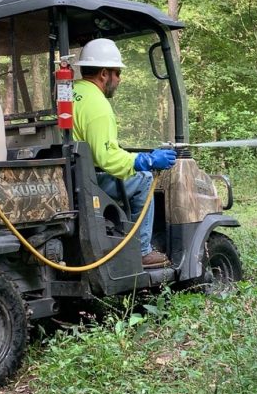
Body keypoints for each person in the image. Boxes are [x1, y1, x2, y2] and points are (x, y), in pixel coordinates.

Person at [71, 38, 177, 268]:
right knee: (145, 179)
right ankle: (142, 251)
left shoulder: (70, 91)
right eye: (117, 73)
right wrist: (146, 159)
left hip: (69, 177)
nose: (119, 79)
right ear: (103, 73)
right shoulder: (98, 106)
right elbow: (107, 159)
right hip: (88, 182)